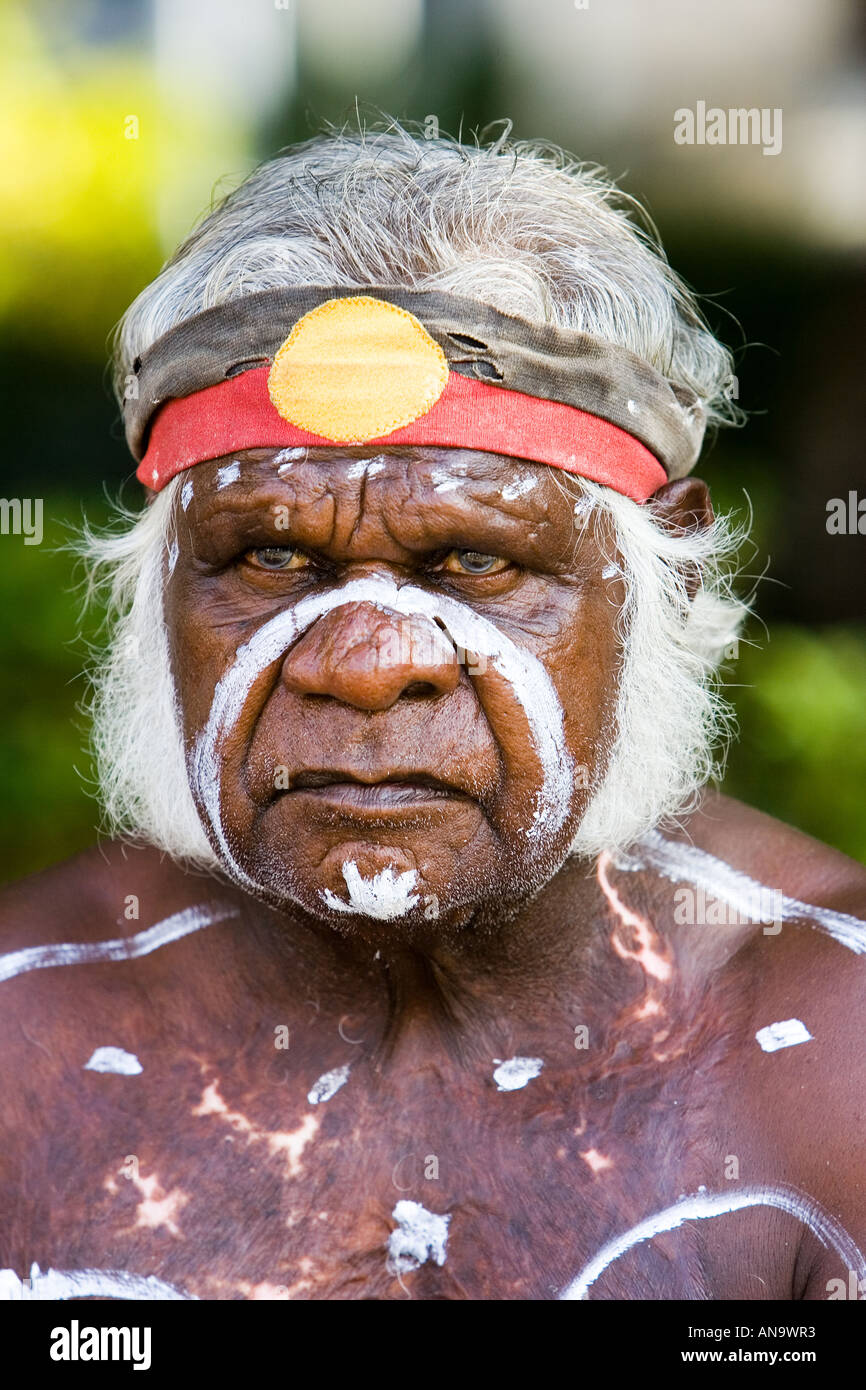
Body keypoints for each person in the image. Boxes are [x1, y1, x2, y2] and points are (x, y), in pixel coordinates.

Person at [1, 123, 864, 1303]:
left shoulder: (835, 1052)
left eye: (471, 561)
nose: (363, 666)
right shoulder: (22, 1032)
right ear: (156, 593)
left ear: (669, 576)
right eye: (267, 555)